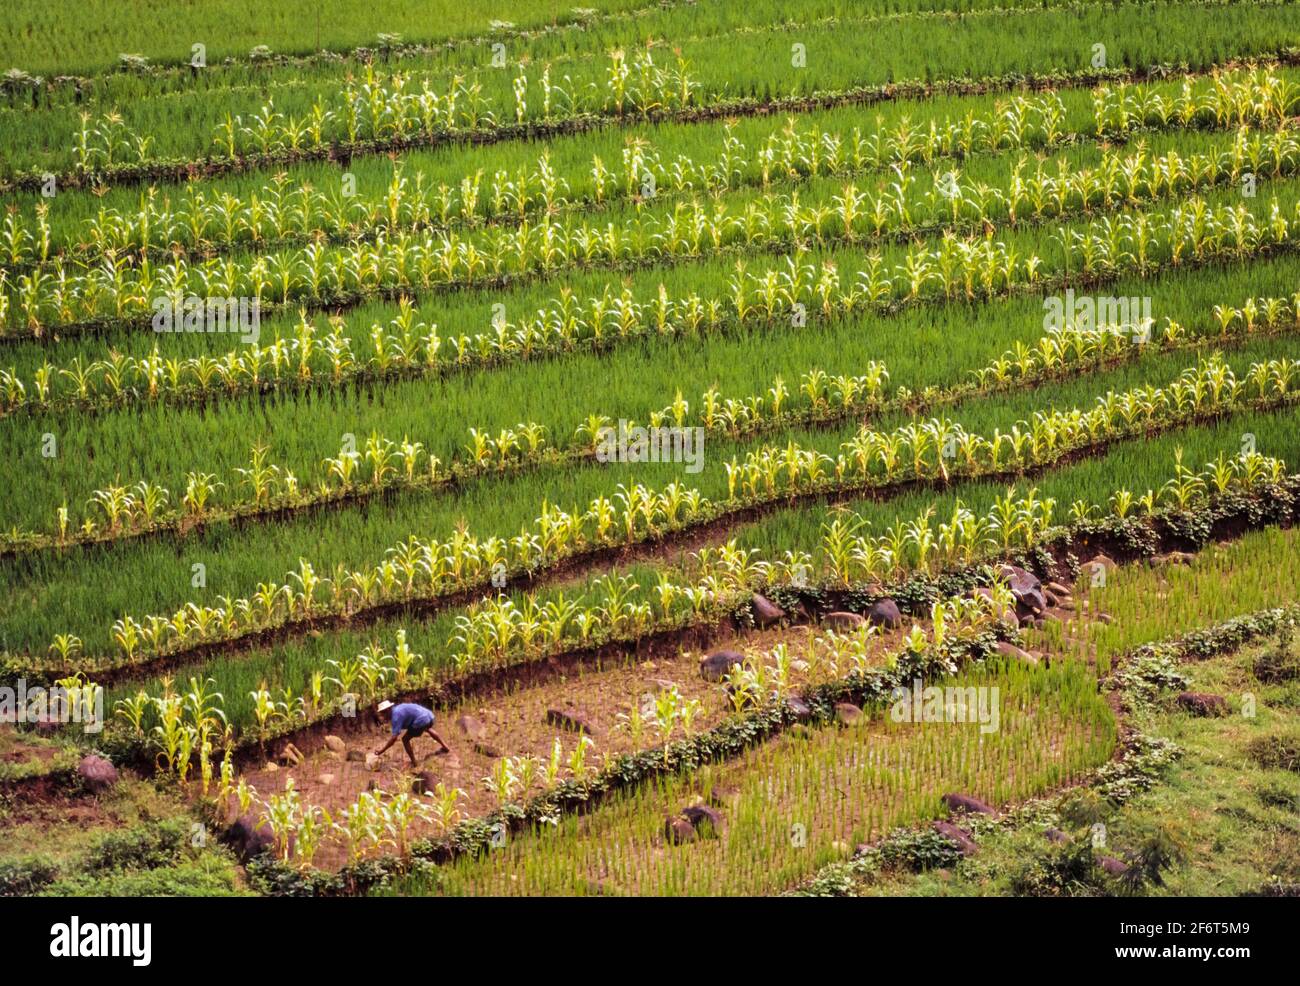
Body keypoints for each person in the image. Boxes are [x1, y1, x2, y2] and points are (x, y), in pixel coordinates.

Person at [374, 700, 451, 767]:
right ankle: (445, 747)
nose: (383, 716)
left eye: (383, 713)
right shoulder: (398, 708)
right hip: (429, 715)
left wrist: (381, 751)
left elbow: (394, 738)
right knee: (427, 728)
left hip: (421, 720)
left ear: (388, 710)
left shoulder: (396, 716)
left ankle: (414, 762)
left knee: (405, 739)